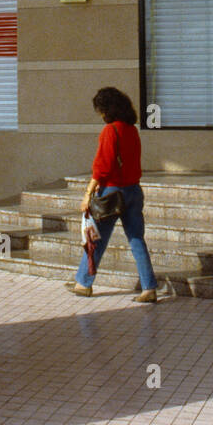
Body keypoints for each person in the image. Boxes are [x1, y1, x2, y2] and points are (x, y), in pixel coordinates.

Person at [68, 88, 158, 304]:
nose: (100, 115)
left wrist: (87, 193)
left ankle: (83, 283)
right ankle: (149, 287)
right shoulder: (132, 130)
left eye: (100, 110)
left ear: (106, 110)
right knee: (137, 240)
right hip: (134, 191)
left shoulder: (110, 131)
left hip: (111, 193)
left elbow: (103, 167)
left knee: (97, 239)